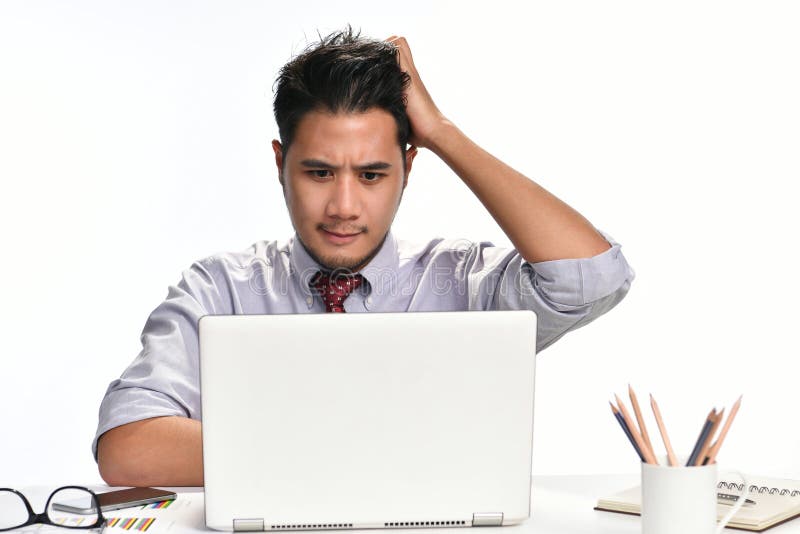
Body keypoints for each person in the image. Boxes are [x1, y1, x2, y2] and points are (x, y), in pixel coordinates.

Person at [95, 28, 634, 487]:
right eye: (319, 172)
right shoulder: (220, 288)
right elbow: (128, 446)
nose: (343, 207)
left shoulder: (462, 284)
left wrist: (444, 134)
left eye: (372, 175)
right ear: (280, 164)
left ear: (408, 169)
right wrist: (348, 451)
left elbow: (590, 277)